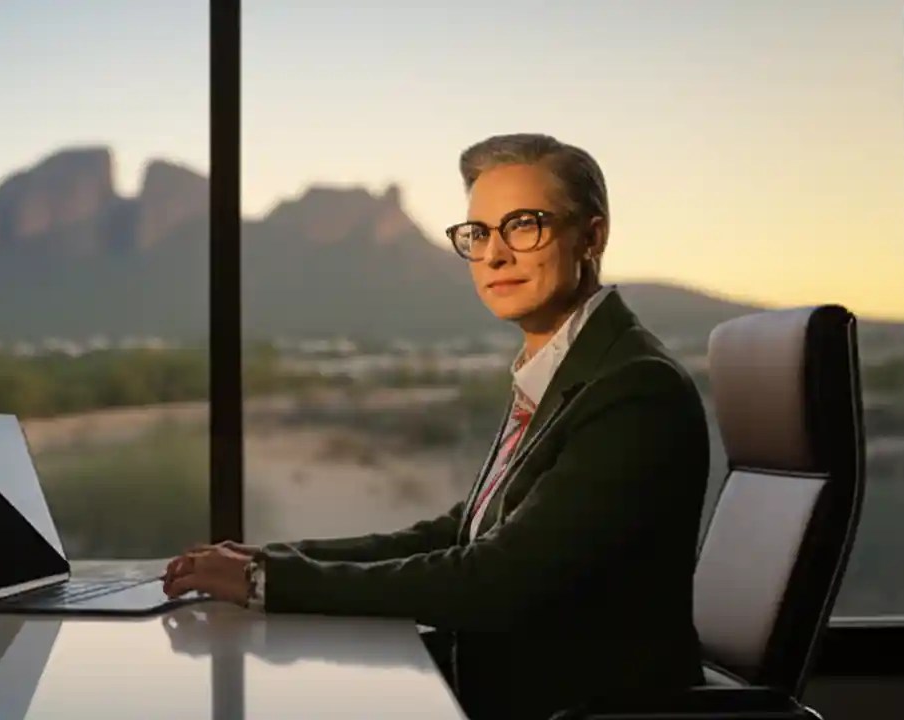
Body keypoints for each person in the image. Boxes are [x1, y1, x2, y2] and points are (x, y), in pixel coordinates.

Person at [163, 133, 710, 719]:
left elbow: (495, 578)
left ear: (592, 236)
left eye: (523, 225)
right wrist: (271, 560)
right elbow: (459, 535)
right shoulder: (561, 368)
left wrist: (267, 582)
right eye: (479, 234)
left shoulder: (632, 388)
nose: (495, 255)